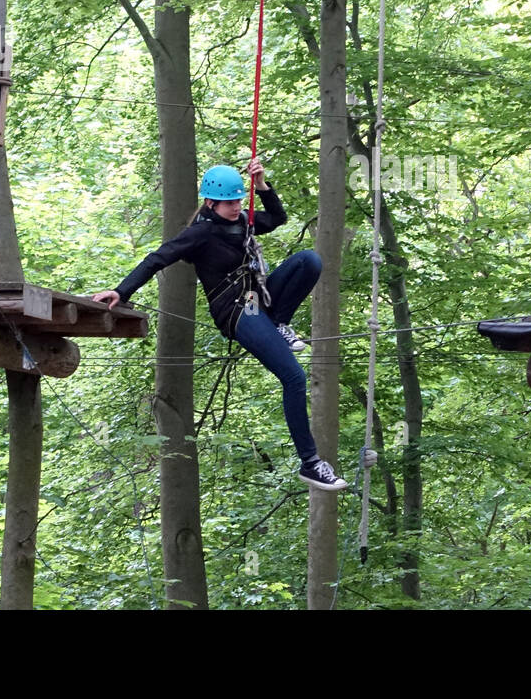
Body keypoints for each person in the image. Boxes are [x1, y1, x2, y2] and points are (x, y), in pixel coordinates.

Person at [93, 158, 349, 492]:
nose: (236, 206)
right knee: (294, 377)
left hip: (261, 300)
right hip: (237, 312)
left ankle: (281, 324)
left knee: (309, 261)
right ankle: (311, 463)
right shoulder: (200, 233)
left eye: (239, 200)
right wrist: (121, 290)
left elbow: (277, 219)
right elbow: (157, 259)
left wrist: (261, 186)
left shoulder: (242, 221)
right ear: (211, 202)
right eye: (230, 202)